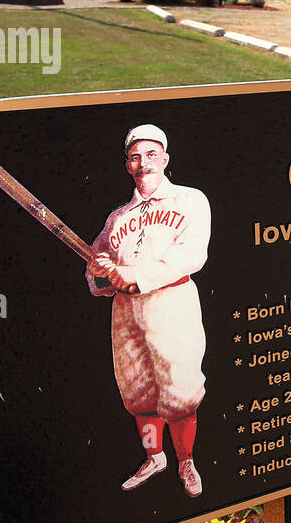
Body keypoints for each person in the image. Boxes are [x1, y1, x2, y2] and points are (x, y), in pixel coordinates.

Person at [86, 124, 211, 498]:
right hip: (125, 312)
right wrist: (101, 273)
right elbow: (97, 266)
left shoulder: (190, 200)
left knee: (179, 391)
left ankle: (186, 461)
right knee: (137, 390)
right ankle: (154, 457)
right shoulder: (117, 218)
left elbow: (191, 254)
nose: (143, 163)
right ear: (128, 166)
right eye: (135, 157)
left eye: (151, 155)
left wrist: (136, 276)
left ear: (165, 160)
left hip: (171, 304)